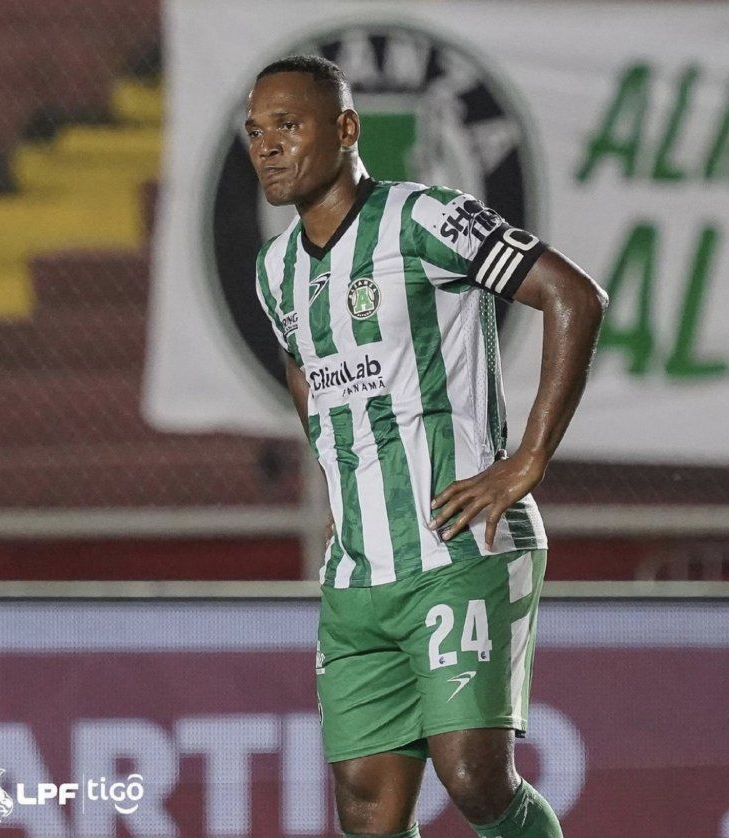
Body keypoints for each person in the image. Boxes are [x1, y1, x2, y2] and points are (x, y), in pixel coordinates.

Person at [247, 55, 607, 838]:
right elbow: (306, 373)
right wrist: (345, 479)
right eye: (255, 131)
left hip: (459, 544)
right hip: (358, 573)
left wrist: (528, 461)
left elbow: (571, 296)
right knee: (367, 811)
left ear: (346, 130)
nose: (266, 146)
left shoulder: (423, 218)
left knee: (474, 778)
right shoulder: (275, 270)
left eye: (287, 125)